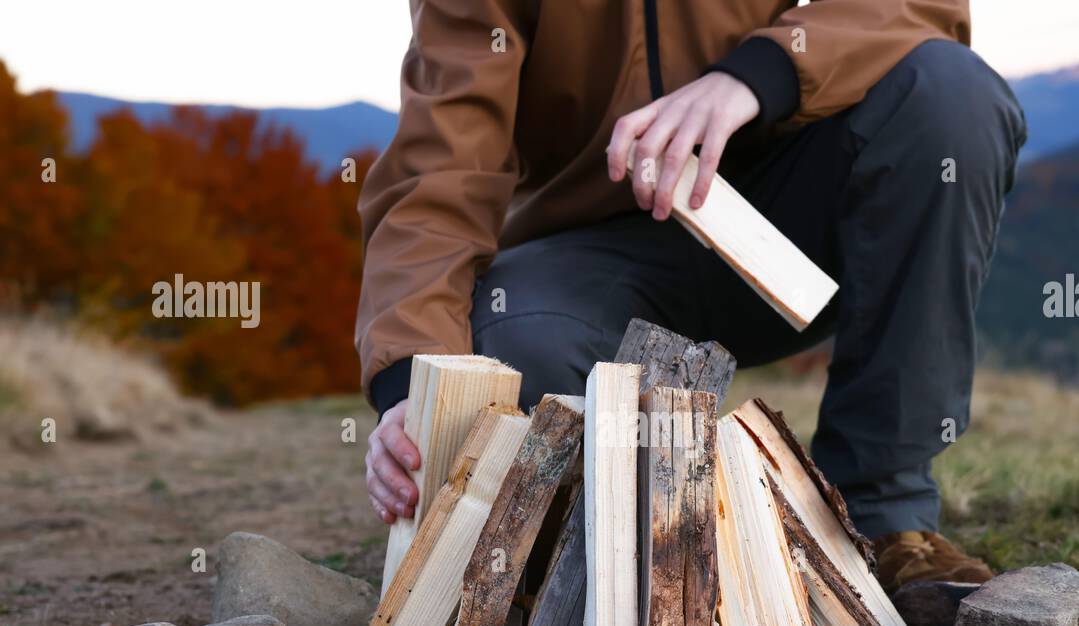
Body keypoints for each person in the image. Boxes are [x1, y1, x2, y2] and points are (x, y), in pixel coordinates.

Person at [356, 0, 1026, 592]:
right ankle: (619, 572)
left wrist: (760, 73)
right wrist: (415, 381)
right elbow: (440, 166)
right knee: (520, 345)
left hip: (778, 229)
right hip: (588, 266)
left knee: (951, 97)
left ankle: (886, 521)